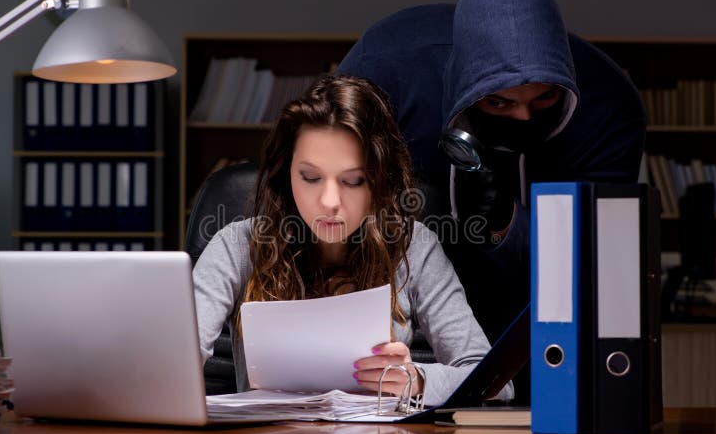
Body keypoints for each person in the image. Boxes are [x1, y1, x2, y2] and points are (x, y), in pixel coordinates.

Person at [336, 0, 645, 344]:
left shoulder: (609, 105)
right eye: (499, 102)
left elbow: (600, 263)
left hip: (540, 321)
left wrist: (511, 224)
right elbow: (322, 203)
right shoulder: (383, 70)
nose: (523, 115)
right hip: (398, 306)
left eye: (544, 97)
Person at [193, 74, 512, 406]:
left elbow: (495, 381)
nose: (330, 201)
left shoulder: (413, 245)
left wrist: (417, 379)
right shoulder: (236, 246)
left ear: (379, 180)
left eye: (353, 180)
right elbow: (175, 366)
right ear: (285, 173)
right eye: (311, 177)